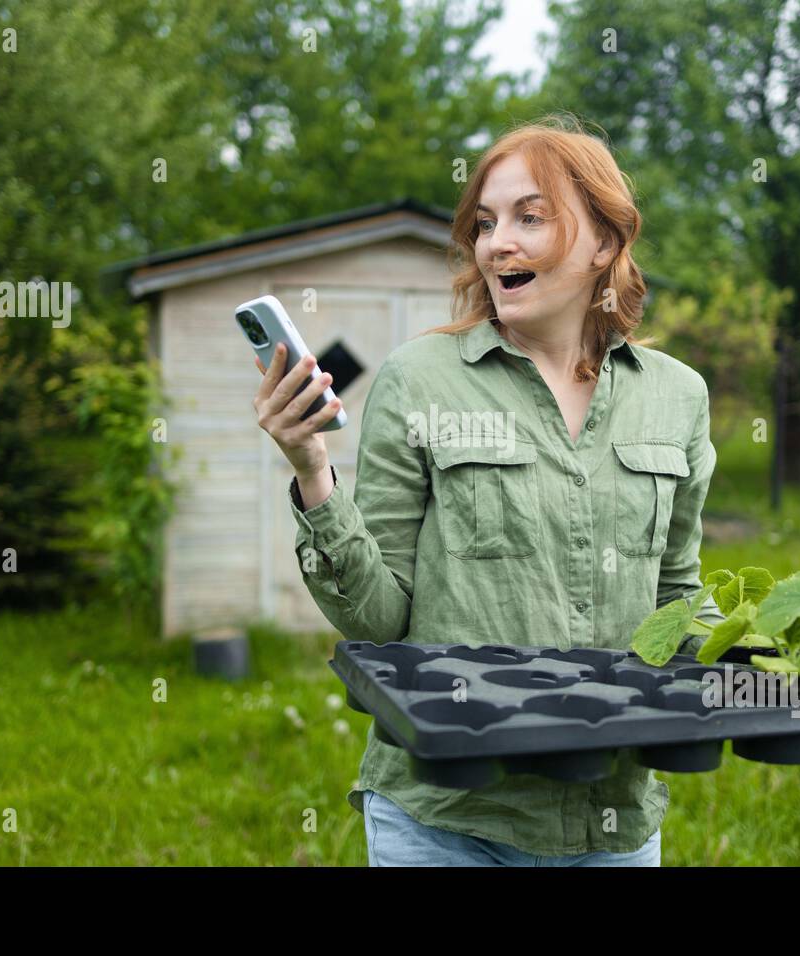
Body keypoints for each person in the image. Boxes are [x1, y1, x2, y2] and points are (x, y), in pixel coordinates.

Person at [251, 113, 725, 866]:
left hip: (613, 817)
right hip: (445, 818)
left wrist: (778, 663)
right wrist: (312, 468)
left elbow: (678, 596)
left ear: (605, 241)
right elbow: (378, 622)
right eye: (484, 223)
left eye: (529, 218)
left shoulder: (677, 396)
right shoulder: (420, 380)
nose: (497, 241)